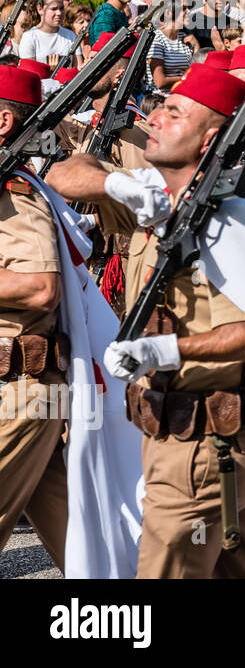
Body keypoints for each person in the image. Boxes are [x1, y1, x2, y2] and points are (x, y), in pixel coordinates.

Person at [47, 63, 245, 579]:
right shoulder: (155, 198)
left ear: (212, 138)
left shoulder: (231, 218)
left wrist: (168, 352)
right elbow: (62, 173)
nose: (153, 118)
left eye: (174, 112)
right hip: (178, 433)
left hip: (202, 444)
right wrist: (121, 185)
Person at [0, 65, 70, 569]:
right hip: (22, 393)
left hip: (21, 393)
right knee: (83, 542)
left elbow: (42, 288)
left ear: (3, 120)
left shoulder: (18, 199)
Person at [17, 0, 76, 65]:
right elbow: (29, 72)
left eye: (61, 8)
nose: (59, 13)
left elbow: (77, 67)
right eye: (53, 9)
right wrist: (50, 71)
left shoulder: (70, 35)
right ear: (40, 9)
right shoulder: (30, 37)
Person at [147, 0, 194, 92]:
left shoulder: (185, 38)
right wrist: (188, 79)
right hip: (161, 99)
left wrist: (196, 47)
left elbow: (195, 70)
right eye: (184, 8)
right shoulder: (156, 39)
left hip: (183, 94)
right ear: (168, 13)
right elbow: (160, 82)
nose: (189, 12)